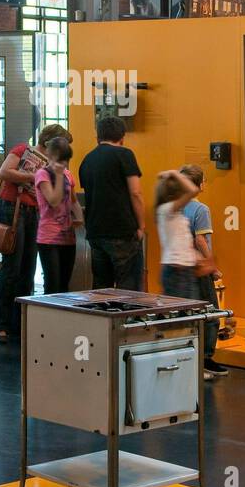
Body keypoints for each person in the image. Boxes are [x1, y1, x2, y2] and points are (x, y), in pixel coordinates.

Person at [0, 123, 72, 343]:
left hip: (35, 212)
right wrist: (35, 176)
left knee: (28, 268)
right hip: (14, 210)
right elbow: (4, 172)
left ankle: (20, 322)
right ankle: (1, 323)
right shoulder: (21, 150)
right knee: (12, 267)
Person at [78, 115, 145, 291]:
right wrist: (141, 226)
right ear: (122, 137)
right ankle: (126, 319)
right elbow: (135, 192)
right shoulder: (124, 154)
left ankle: (103, 319)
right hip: (122, 231)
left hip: (95, 232)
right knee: (129, 288)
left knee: (101, 287)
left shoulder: (87, 160)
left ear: (97, 137)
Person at [181, 164, 229, 379]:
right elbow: (200, 239)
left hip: (179, 267)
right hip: (199, 268)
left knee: (187, 314)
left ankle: (188, 357)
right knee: (211, 314)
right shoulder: (201, 210)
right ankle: (206, 358)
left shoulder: (174, 206)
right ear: (201, 184)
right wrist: (213, 266)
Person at [34, 136, 79, 295]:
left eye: (67, 160)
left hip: (68, 236)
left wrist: (79, 218)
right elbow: (53, 200)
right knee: (53, 283)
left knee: (64, 285)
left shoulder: (67, 174)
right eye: (62, 159)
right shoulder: (42, 174)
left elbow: (73, 201)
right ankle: (48, 318)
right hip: (49, 237)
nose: (65, 164)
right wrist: (59, 176)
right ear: (52, 157)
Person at [155, 168, 199, 300]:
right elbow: (193, 190)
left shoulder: (174, 214)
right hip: (177, 271)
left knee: (189, 315)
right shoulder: (166, 210)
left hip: (184, 270)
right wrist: (174, 173)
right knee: (181, 316)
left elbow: (182, 240)